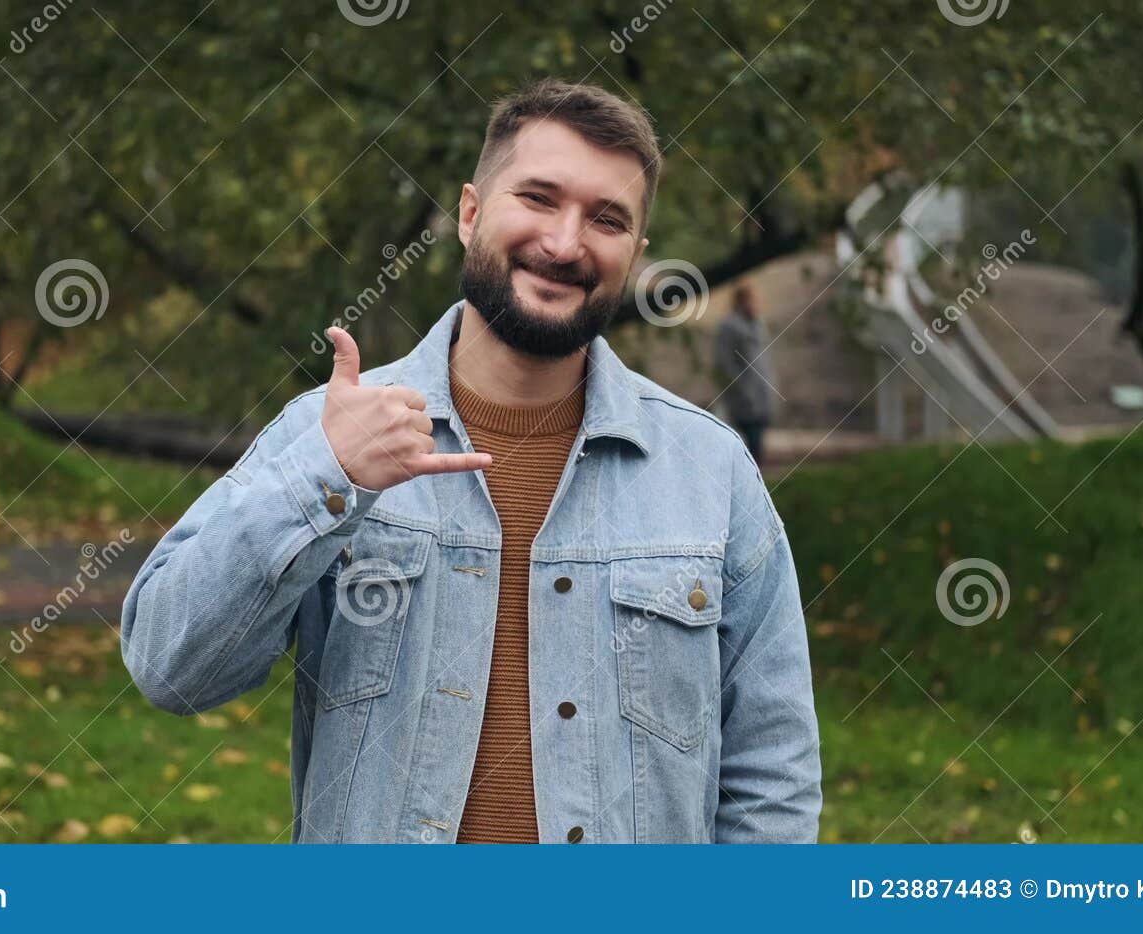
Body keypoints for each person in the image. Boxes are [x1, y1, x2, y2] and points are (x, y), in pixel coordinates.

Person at [120, 78, 820, 844]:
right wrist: (326, 477)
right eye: (539, 198)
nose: (564, 243)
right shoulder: (328, 432)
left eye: (607, 219)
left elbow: (773, 772)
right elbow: (172, 666)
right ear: (469, 213)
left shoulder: (709, 470)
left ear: (636, 255)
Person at [711, 283, 778, 462]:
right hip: (742, 398)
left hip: (761, 394)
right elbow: (724, 362)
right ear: (740, 301)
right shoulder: (729, 326)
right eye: (750, 299)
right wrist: (740, 388)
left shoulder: (758, 324)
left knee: (758, 446)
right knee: (744, 448)